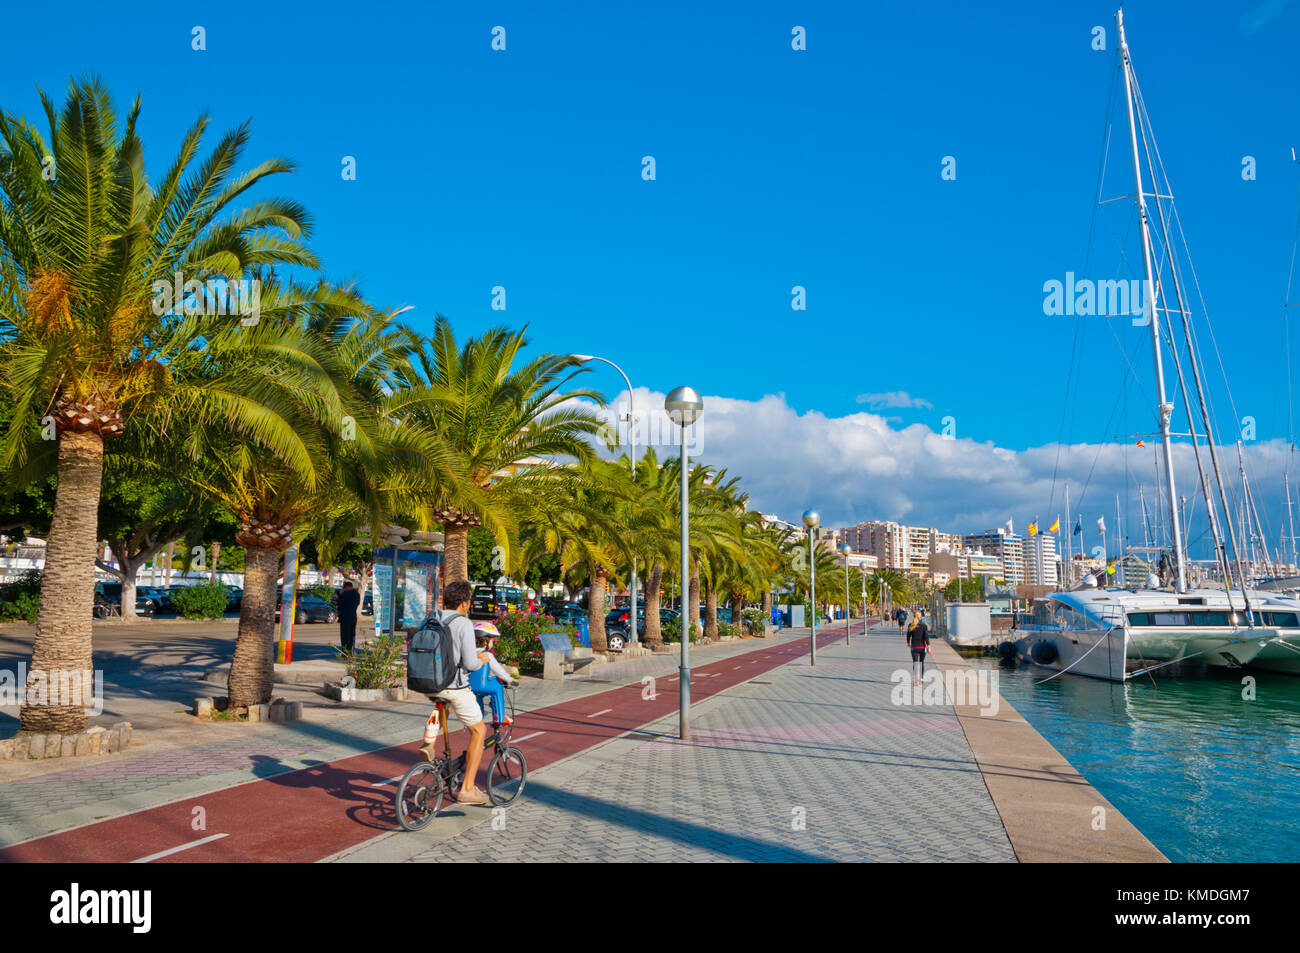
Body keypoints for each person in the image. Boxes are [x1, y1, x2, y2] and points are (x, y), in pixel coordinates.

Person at [420, 580, 493, 805]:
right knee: (479, 731)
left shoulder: (432, 617)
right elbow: (470, 664)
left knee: (442, 705)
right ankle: (468, 789)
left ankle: (429, 743)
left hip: (428, 681)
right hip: (453, 685)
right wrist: (482, 659)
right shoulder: (463, 623)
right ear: (464, 602)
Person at [469, 621, 519, 724]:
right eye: (492, 640)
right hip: (482, 685)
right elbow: (499, 671)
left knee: (477, 698)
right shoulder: (486, 654)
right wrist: (510, 680)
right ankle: (500, 718)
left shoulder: (469, 653)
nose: (493, 643)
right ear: (485, 642)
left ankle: (479, 718)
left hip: (469, 686)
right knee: (497, 685)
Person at [337, 580, 361, 652]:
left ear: (347, 587)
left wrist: (340, 595)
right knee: (352, 635)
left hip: (345, 617)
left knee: (345, 636)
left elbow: (340, 604)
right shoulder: (357, 595)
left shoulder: (346, 595)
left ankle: (345, 651)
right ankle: (351, 649)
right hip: (353, 616)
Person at [907, 613, 930, 686]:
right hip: (922, 648)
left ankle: (916, 680)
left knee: (915, 663)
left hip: (914, 647)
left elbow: (908, 636)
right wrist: (929, 646)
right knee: (921, 662)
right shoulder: (924, 626)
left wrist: (908, 643)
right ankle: (921, 678)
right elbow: (926, 637)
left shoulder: (911, 625)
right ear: (920, 617)